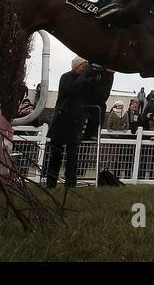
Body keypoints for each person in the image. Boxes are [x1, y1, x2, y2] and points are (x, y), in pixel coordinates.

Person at [44, 58, 111, 188]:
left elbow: (101, 95)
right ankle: (50, 183)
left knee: (72, 156)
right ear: (75, 66)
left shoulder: (87, 80)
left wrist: (108, 75)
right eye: (83, 66)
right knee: (55, 155)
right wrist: (87, 74)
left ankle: (70, 184)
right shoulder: (66, 77)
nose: (85, 68)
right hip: (61, 121)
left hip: (76, 122)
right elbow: (73, 89)